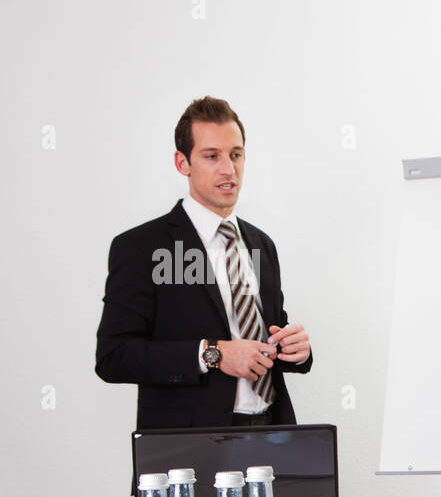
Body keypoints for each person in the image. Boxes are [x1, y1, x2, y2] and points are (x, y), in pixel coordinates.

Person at [95, 96, 313, 429]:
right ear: (182, 163)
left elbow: (268, 335)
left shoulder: (261, 244)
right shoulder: (141, 247)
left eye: (236, 155)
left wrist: (295, 350)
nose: (229, 169)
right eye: (211, 156)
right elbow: (114, 357)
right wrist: (214, 354)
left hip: (271, 434)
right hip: (190, 447)